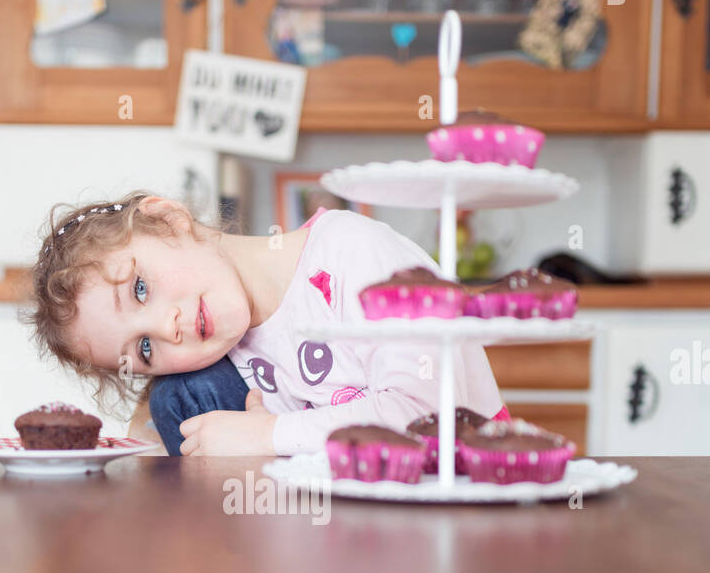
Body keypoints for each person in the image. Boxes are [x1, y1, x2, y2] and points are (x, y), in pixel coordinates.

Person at [26, 191, 507, 456]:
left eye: (139, 289)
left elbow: (430, 420)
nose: (167, 328)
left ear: (169, 218)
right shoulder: (227, 353)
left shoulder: (352, 250)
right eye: (144, 349)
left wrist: (269, 435)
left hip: (464, 503)